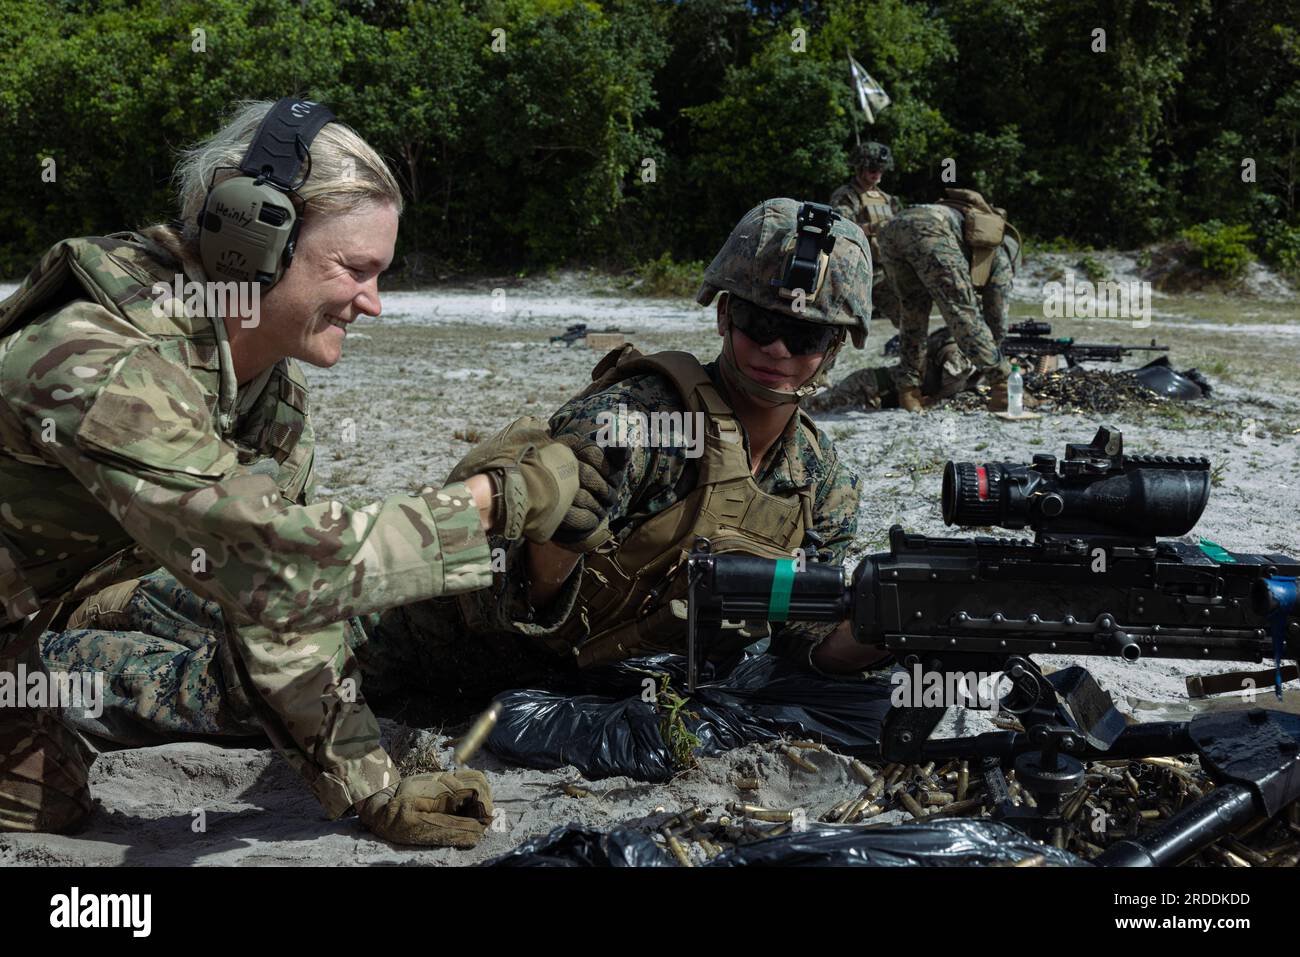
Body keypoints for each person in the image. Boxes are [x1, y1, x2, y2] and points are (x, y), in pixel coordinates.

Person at [0, 98, 613, 846]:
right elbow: (278, 561)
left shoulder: (266, 396)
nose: (374, 303)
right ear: (253, 242)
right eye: (355, 270)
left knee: (52, 804)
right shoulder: (97, 357)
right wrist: (494, 502)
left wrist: (373, 788)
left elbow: (280, 612)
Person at [356, 198, 893, 710]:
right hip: (419, 659)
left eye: (804, 335)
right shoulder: (635, 425)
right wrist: (556, 550)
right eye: (762, 324)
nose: (777, 350)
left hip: (590, 701)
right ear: (725, 315)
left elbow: (799, 643)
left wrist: (876, 632)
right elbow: (496, 597)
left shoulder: (821, 483)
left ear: (835, 347)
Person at [877, 188, 1027, 413]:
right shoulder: (1000, 256)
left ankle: (909, 393)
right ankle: (1003, 388)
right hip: (930, 230)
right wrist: (996, 364)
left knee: (912, 313)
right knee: (960, 310)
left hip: (891, 229)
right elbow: (995, 319)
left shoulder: (969, 229)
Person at [804, 328, 976, 413]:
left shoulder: (950, 341)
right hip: (869, 387)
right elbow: (951, 389)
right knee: (813, 407)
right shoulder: (954, 352)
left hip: (874, 388)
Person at [830, 142, 904, 328]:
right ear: (859, 168)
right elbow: (841, 229)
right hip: (856, 271)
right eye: (872, 168)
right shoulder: (847, 196)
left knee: (907, 316)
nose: (877, 173)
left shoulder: (888, 199)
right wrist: (872, 228)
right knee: (836, 325)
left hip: (886, 270)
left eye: (881, 168)